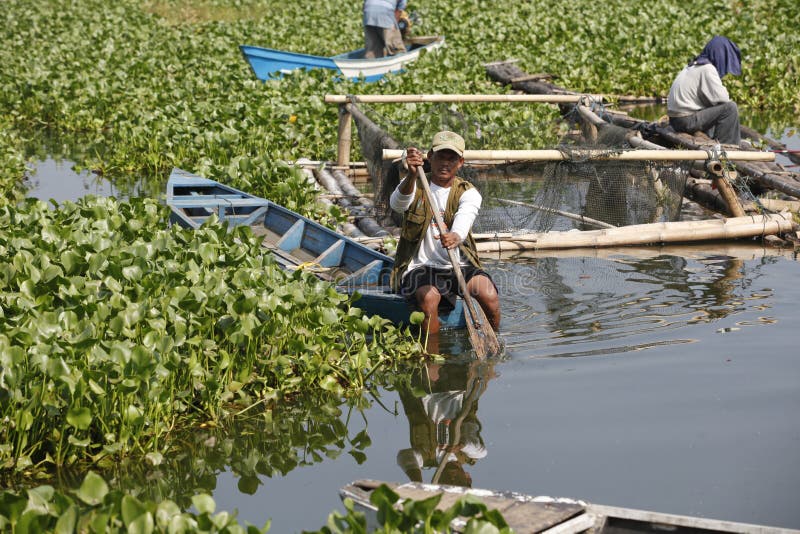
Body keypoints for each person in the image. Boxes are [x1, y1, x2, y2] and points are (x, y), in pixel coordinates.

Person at [390, 130, 501, 334]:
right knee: (429, 298)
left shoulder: (468, 192)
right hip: (421, 267)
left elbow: (465, 217)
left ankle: (493, 340)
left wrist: (456, 235)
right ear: (430, 157)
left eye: (452, 159)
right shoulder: (416, 183)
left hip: (457, 264)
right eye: (441, 156)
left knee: (489, 294)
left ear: (460, 163)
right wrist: (412, 175)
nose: (445, 163)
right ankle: (432, 358)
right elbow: (397, 204)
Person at [667, 36, 742, 145]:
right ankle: (727, 146)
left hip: (674, 121)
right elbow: (724, 99)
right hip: (685, 121)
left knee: (711, 105)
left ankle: (711, 138)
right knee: (730, 108)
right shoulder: (707, 68)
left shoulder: (692, 65)